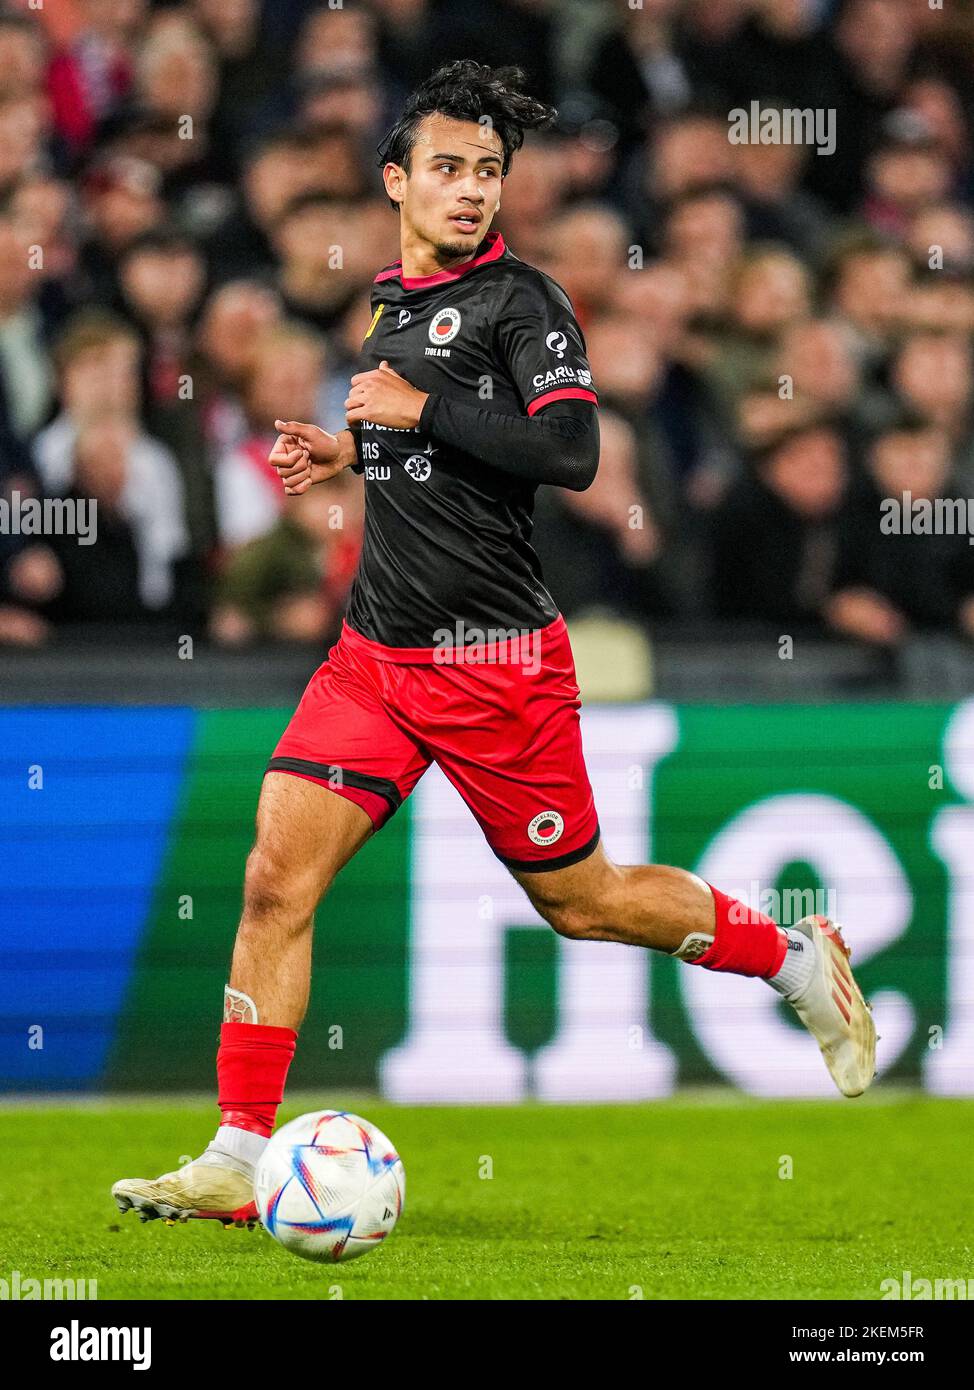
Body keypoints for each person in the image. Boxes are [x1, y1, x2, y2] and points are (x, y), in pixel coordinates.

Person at [113, 61, 876, 1229]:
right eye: (448, 169)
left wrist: (416, 417)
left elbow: (566, 453)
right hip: (373, 657)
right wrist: (351, 456)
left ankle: (789, 957)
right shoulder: (393, 305)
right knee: (274, 878)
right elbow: (440, 470)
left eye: (487, 173)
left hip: (495, 666)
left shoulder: (526, 304)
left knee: (582, 899)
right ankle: (234, 1148)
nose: (470, 191)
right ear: (395, 180)